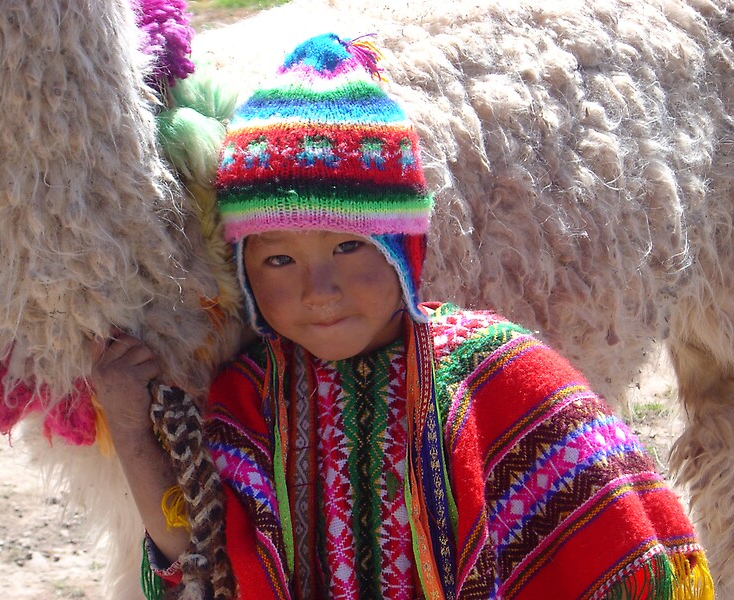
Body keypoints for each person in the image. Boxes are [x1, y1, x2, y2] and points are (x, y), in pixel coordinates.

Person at [92, 33, 714, 599]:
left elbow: (625, 547)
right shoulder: (248, 404)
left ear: (403, 247)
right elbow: (197, 559)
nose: (319, 290)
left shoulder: (502, 376)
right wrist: (128, 426)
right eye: (278, 258)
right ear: (244, 270)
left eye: (348, 246)